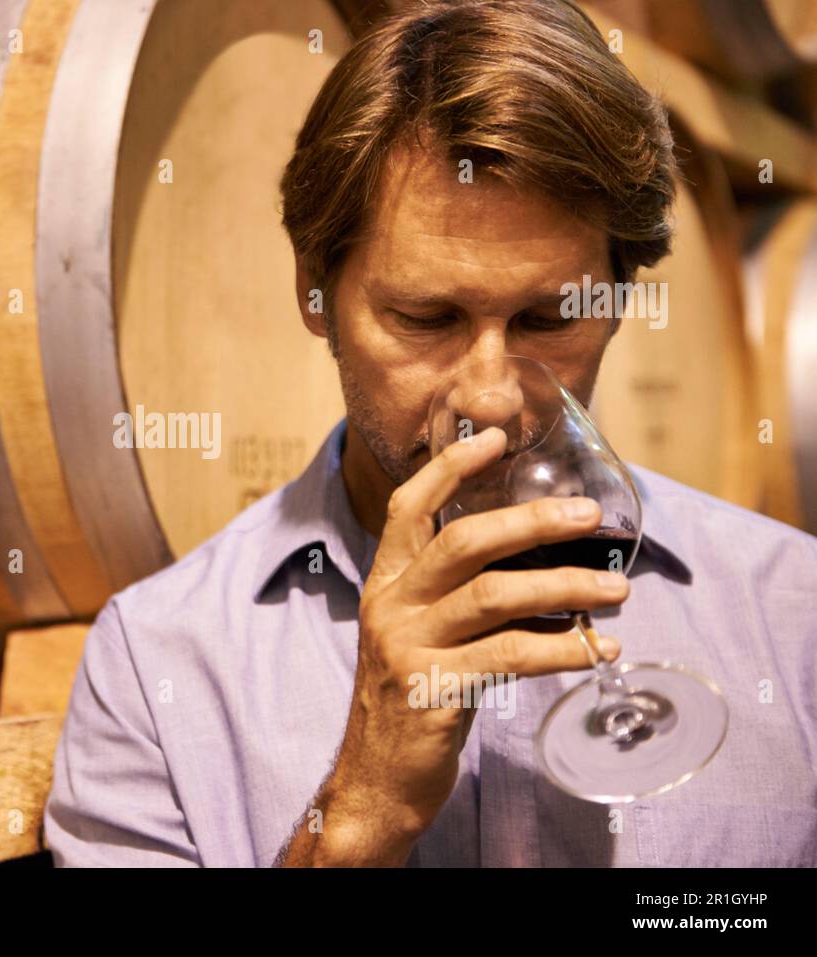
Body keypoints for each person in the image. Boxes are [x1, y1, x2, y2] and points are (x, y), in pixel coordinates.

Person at [42, 0, 817, 866]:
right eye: (425, 316)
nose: (489, 397)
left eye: (550, 315)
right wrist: (360, 809)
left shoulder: (792, 612)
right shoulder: (153, 670)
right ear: (314, 291)